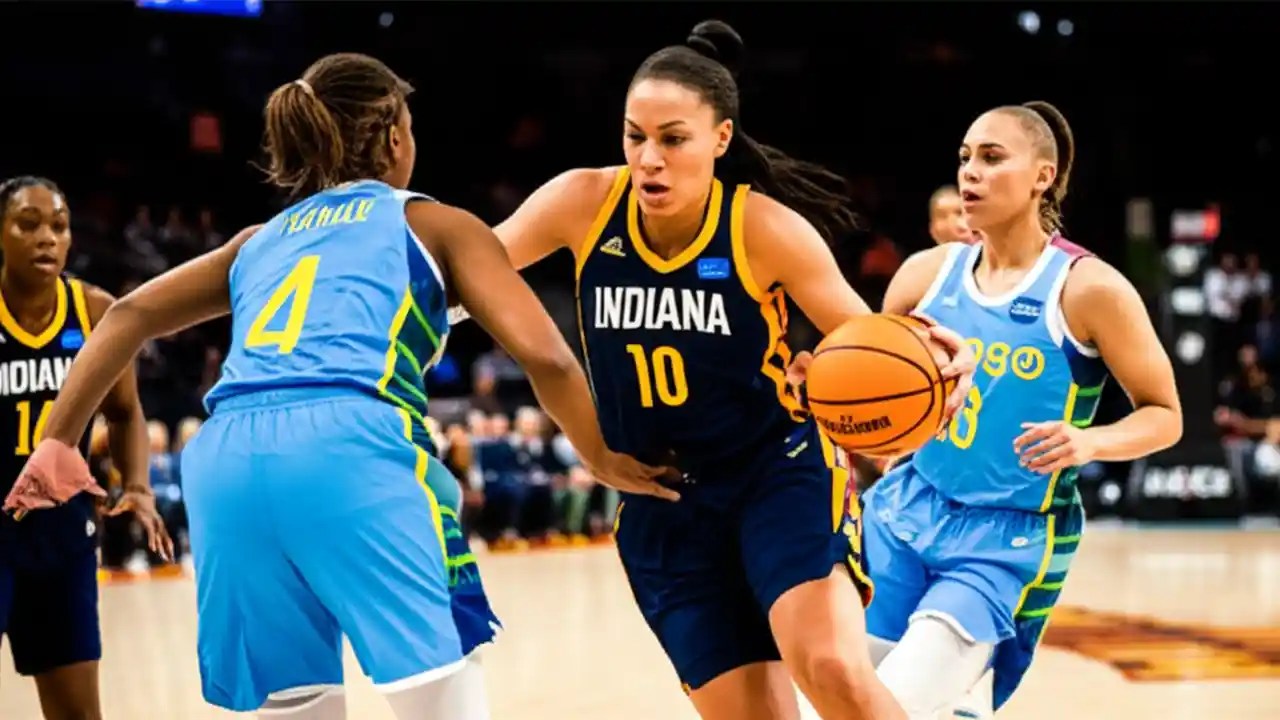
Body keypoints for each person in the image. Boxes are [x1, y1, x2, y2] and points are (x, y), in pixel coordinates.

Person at [4, 53, 667, 720]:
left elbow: (126, 315)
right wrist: (601, 456)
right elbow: (547, 359)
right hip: (350, 444)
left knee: (296, 706)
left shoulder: (257, 242)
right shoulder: (432, 223)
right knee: (439, 699)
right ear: (395, 138)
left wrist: (57, 442)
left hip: (226, 463)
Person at [484, 20, 974, 720]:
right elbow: (467, 279)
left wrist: (937, 356)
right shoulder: (583, 203)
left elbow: (863, 336)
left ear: (719, 138)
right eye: (635, 136)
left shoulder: (761, 228)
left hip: (775, 469)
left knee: (832, 666)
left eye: (673, 138)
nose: (649, 158)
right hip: (664, 500)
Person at [840, 102, 1182, 719]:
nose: (971, 172)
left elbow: (1166, 414)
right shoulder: (922, 277)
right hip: (905, 510)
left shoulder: (1088, 288)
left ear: (1042, 176)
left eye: (992, 157)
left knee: (895, 708)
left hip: (1006, 536)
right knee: (830, 705)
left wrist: (1090, 442)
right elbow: (876, 392)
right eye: (965, 158)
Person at [0, 176, 171, 720]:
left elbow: (125, 412)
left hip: (63, 530)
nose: (47, 237)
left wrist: (137, 486)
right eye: (28, 224)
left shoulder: (97, 311)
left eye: (59, 225)